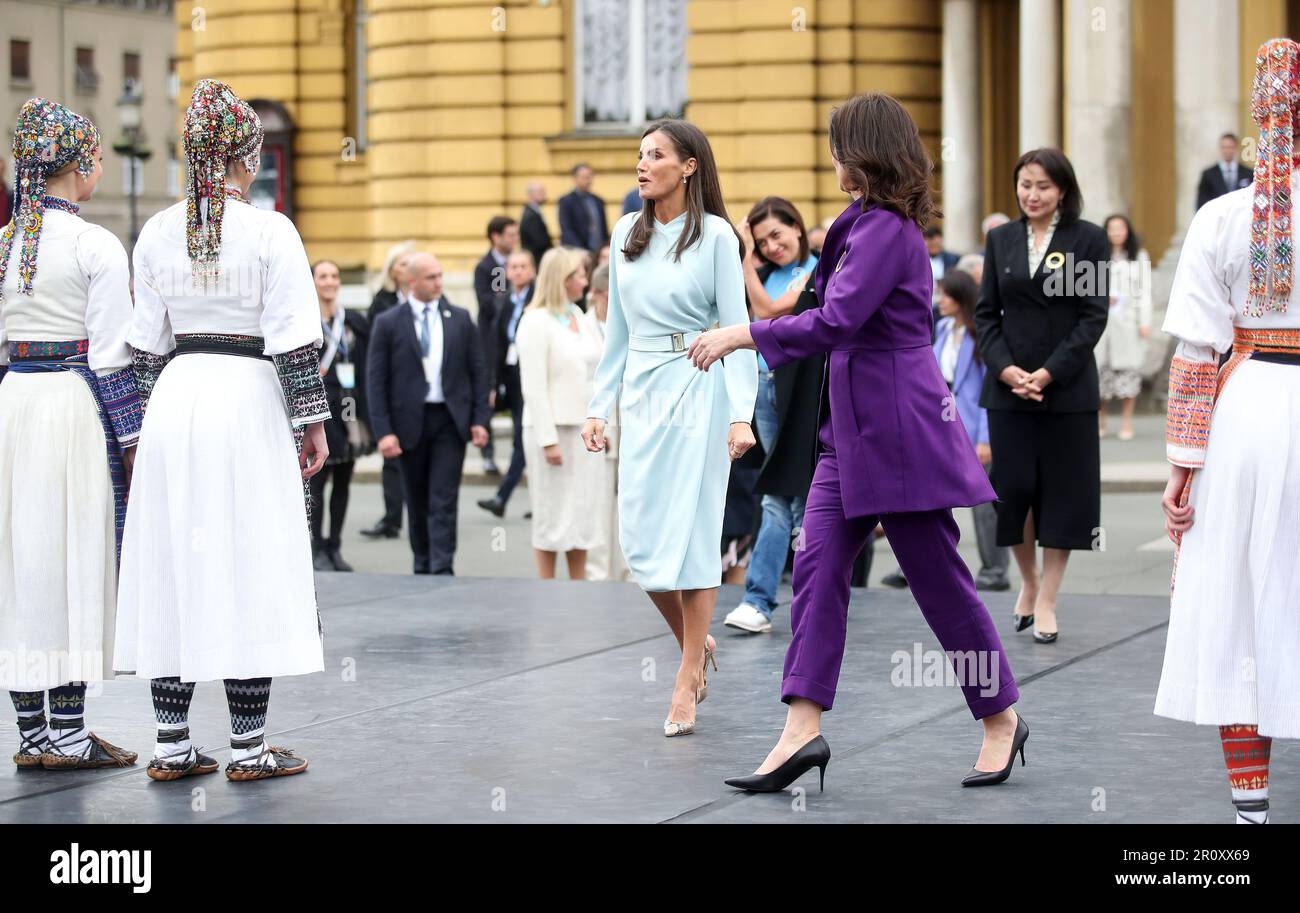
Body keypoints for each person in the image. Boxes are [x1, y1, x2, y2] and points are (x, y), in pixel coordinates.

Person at [689, 92, 1024, 793]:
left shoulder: (886, 231)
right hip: (847, 436)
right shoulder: (855, 223)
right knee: (814, 573)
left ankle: (1000, 717)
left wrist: (741, 334)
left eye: (840, 144)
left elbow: (835, 319)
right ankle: (800, 730)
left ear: (866, 150)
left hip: (900, 433)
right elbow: (809, 309)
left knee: (939, 583)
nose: (833, 157)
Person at [116, 79, 329, 782]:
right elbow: (295, 341)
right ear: (248, 156)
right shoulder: (271, 230)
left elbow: (144, 349)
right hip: (248, 401)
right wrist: (312, 422)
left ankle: (172, 744)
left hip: (178, 398)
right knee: (250, 562)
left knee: (175, 560)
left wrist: (149, 424)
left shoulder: (153, 230)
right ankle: (248, 747)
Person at [1157, 37, 1300, 825]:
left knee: (1243, 607)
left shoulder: (1222, 216)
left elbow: (1197, 352)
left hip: (1245, 414)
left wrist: (1183, 461)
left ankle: (1251, 812)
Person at [581, 119, 757, 738]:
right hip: (645, 392)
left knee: (695, 530)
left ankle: (685, 677)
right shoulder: (624, 232)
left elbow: (739, 330)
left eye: (656, 154)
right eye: (639, 154)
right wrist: (599, 406)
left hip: (701, 385)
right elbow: (617, 335)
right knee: (640, 539)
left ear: (688, 167)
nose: (642, 163)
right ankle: (696, 642)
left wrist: (742, 413)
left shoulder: (715, 237)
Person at [1, 98, 140, 771]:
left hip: (13, 404)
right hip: (70, 407)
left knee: (19, 565)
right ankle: (69, 732)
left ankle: (30, 735)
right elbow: (115, 355)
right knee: (72, 561)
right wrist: (136, 440)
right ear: (81, 164)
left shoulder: (5, 244)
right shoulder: (96, 244)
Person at [976, 147, 1108, 646]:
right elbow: (986, 315)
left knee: (1064, 496)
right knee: (1012, 492)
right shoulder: (1000, 239)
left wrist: (1048, 374)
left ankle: (1048, 597)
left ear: (1063, 191)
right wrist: (1008, 370)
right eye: (1025, 184)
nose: (1032, 195)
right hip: (1008, 391)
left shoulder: (1089, 240)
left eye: (1043, 187)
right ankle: (1027, 580)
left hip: (1067, 390)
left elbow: (1093, 316)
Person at [879, 270, 1010, 593]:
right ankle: (913, 566)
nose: (941, 299)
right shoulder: (941, 327)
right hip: (936, 423)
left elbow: (985, 391)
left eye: (948, 295)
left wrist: (984, 438)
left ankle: (995, 569)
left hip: (972, 423)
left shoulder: (980, 334)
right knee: (926, 496)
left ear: (962, 298)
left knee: (983, 503)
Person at [723, 197, 818, 634]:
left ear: (797, 228)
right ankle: (785, 601)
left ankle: (775, 600)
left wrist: (746, 258)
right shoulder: (763, 273)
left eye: (777, 235)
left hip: (799, 391)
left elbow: (766, 312)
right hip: (764, 389)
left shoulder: (816, 270)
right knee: (781, 494)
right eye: (762, 242)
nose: (772, 246)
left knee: (795, 496)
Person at [367, 252, 490, 575]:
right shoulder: (389, 322)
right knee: (417, 499)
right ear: (412, 282)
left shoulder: (460, 318)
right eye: (431, 277)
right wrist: (384, 431)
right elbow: (376, 380)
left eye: (440, 276)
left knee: (443, 499)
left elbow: (478, 372)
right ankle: (422, 563)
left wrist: (479, 419)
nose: (439, 283)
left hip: (450, 421)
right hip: (409, 423)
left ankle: (442, 566)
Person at [516, 248, 604, 579]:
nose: (585, 280)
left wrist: (599, 423)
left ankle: (579, 586)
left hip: (584, 431)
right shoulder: (535, 321)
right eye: (580, 275)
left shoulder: (579, 317)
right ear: (563, 280)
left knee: (582, 511)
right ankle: (547, 586)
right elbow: (534, 386)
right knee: (552, 513)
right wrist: (547, 440)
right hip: (553, 431)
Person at [310, 259, 373, 572]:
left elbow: (366, 363)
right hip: (320, 409)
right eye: (323, 276)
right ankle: (316, 547)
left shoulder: (353, 322)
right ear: (313, 281)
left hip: (348, 408)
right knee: (318, 482)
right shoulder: (306, 320)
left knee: (344, 479)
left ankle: (335, 545)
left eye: (334, 276)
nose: (330, 281)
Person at [362, 240, 415, 540]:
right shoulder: (382, 302)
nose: (408, 268)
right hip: (392, 388)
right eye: (403, 263)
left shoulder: (425, 297)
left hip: (418, 388)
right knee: (391, 458)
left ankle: (421, 513)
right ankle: (392, 517)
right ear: (393, 270)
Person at [579, 263, 629, 582]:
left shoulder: (630, 323)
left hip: (632, 420)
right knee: (596, 503)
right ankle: (596, 574)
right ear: (595, 294)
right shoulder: (582, 328)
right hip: (599, 424)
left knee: (631, 500)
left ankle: (630, 572)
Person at [477, 250, 536, 518]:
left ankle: (502, 497)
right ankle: (537, 500)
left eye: (524, 266)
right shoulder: (505, 303)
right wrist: (493, 384)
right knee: (522, 437)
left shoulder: (537, 299)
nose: (519, 271)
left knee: (523, 439)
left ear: (532, 271)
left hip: (532, 375)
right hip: (511, 378)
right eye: (514, 267)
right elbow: (497, 347)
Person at [1095, 214, 1152, 440]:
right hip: (1103, 324)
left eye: (1120, 228)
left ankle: (1127, 421)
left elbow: (1145, 291)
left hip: (1128, 322)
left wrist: (1144, 322)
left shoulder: (1138, 257)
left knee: (1128, 372)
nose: (1116, 232)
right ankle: (1101, 420)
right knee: (1102, 373)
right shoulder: (1098, 256)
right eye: (1111, 228)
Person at [474, 216, 519, 477]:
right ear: (496, 236)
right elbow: (489, 303)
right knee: (488, 394)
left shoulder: (517, 262)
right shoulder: (489, 267)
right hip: (491, 341)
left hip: (512, 341)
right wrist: (507, 294)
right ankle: (487, 452)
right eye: (510, 235)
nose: (514, 239)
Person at [1196, 132, 1253, 211]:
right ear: (1220, 148)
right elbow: (1201, 203)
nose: (1227, 150)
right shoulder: (1208, 174)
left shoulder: (1248, 173)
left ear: (1236, 148)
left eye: (1230, 147)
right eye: (1224, 147)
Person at [558, 163, 608, 252]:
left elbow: (603, 229)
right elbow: (567, 230)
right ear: (575, 178)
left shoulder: (598, 201)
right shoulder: (566, 201)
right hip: (576, 251)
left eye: (589, 177)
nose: (588, 181)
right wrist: (581, 251)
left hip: (598, 252)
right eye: (584, 177)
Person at [518, 181, 552, 269]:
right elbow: (539, 241)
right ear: (531, 195)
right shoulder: (530, 215)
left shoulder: (533, 212)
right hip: (536, 260)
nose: (544, 195)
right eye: (541, 192)